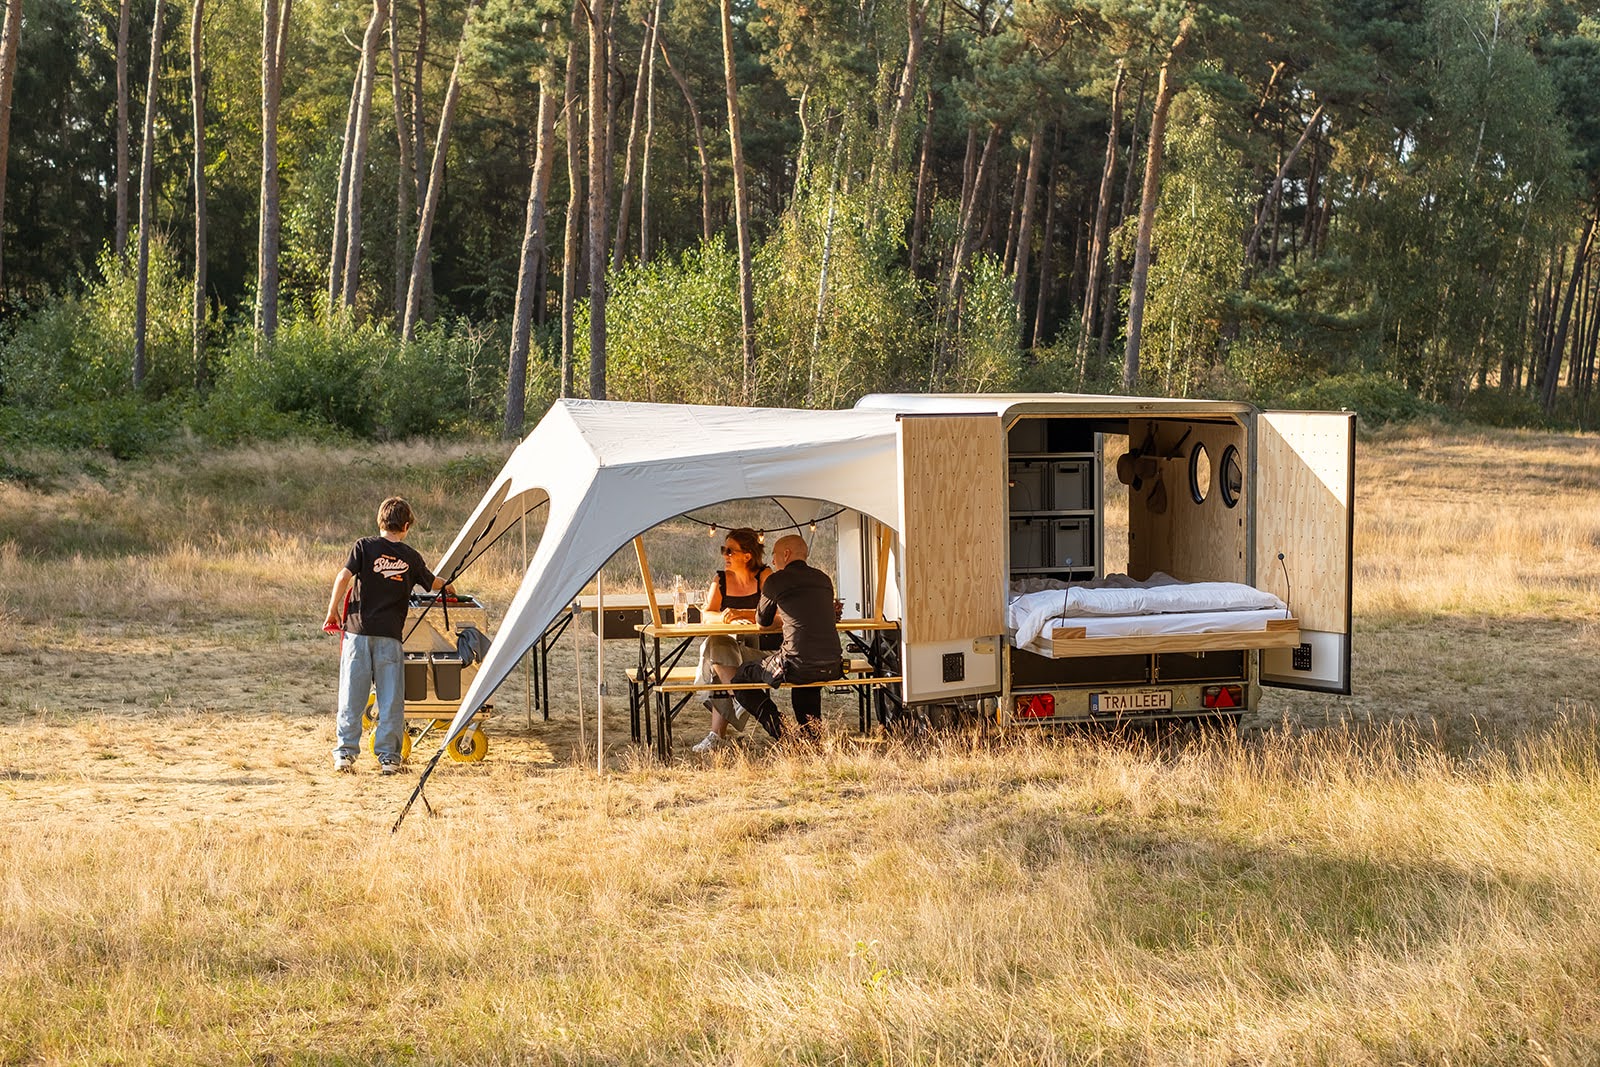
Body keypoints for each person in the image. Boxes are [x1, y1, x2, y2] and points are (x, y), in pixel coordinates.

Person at [323, 497, 452, 775]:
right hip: (390, 637)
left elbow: (343, 577)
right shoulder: (411, 557)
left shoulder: (364, 547)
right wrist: (449, 587)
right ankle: (389, 758)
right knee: (391, 699)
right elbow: (433, 583)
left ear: (379, 522)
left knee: (351, 695)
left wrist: (333, 610)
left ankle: (345, 754)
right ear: (406, 526)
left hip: (357, 633)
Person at [701, 534, 842, 749]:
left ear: (786, 554)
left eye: (775, 555)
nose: (773, 561)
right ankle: (813, 741)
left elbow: (762, 622)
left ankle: (783, 732)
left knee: (740, 679)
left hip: (793, 663)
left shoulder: (777, 580)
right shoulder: (823, 579)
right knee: (806, 680)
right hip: (832, 664)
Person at [687, 528, 771, 753]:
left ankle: (718, 735)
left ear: (748, 555)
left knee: (718, 664)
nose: (725, 555)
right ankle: (738, 697)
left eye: (730, 551)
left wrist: (742, 615)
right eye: (724, 550)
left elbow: (777, 615)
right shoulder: (721, 579)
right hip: (729, 651)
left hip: (762, 651)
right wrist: (725, 617)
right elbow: (707, 614)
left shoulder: (765, 576)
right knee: (718, 644)